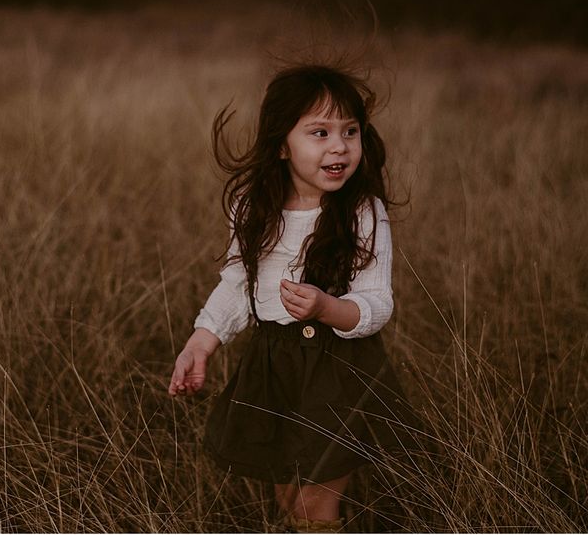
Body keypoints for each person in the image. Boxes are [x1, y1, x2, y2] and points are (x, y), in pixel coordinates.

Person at [167, 65, 415, 532]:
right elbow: (240, 283)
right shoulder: (254, 204)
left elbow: (377, 301)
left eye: (350, 131)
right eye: (319, 132)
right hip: (273, 366)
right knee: (287, 490)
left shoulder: (362, 210)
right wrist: (201, 343)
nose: (339, 146)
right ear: (282, 144)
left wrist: (327, 307)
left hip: (337, 369)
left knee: (313, 503)